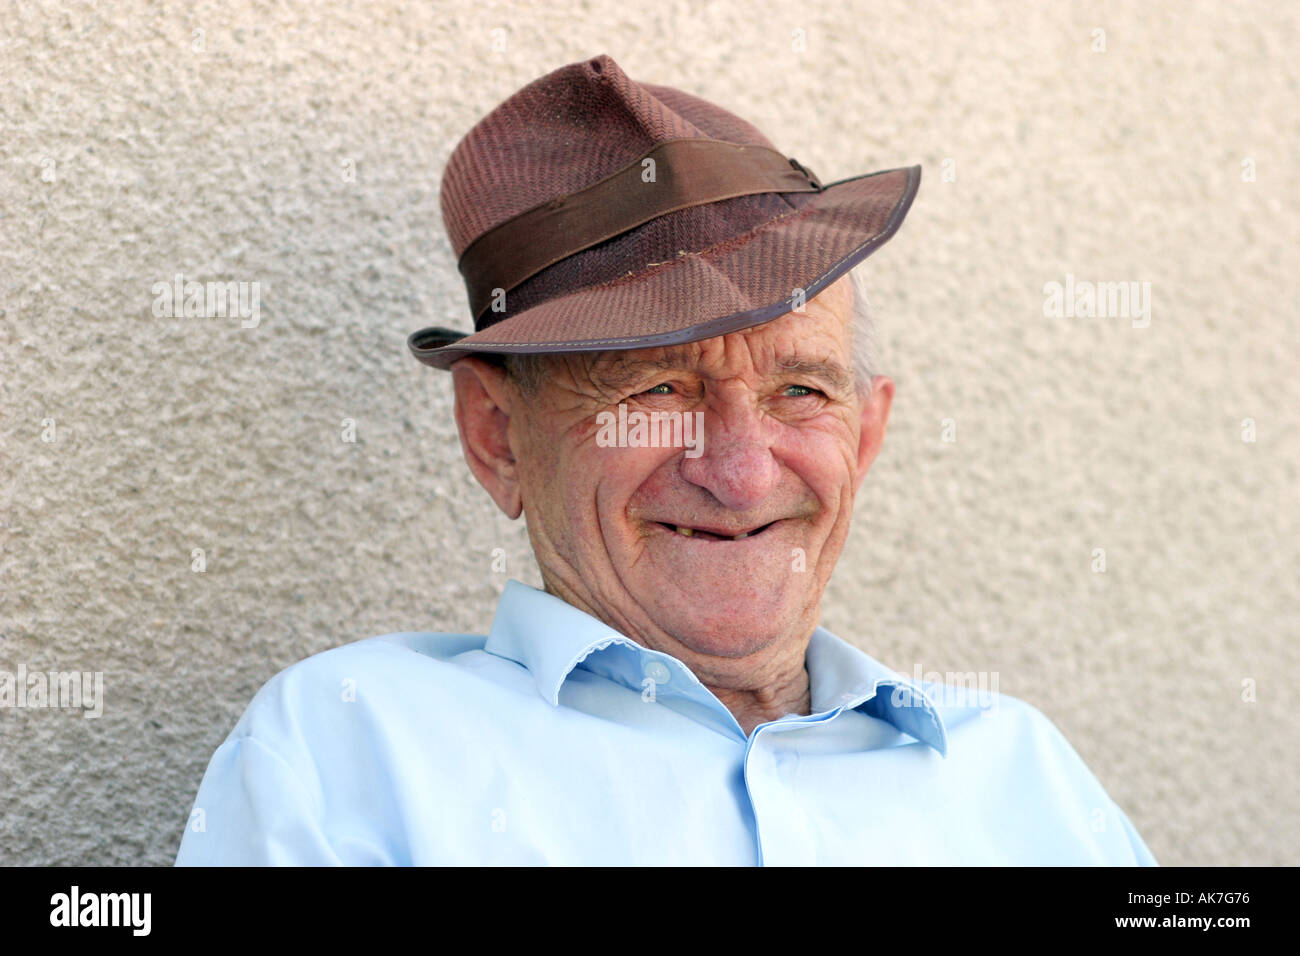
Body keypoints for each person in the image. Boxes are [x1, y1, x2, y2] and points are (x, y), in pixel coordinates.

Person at [175, 54, 1156, 866]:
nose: (737, 471)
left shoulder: (1022, 774)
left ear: (864, 434)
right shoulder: (348, 750)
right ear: (495, 436)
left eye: (799, 390)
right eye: (655, 390)